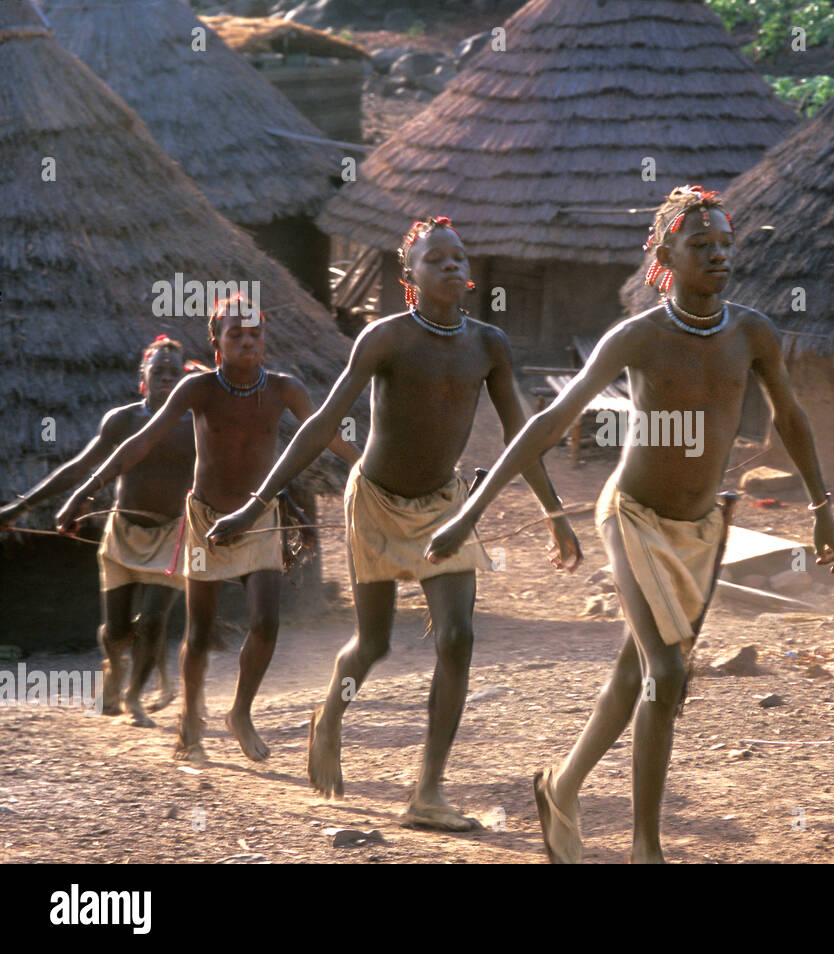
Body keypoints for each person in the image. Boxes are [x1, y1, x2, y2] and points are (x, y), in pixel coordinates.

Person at [427, 186, 834, 862]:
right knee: (666, 673)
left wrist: (824, 510)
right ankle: (645, 848)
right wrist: (469, 514)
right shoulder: (637, 338)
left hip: (703, 529)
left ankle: (560, 786)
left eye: (725, 246)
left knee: (636, 676)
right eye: (701, 246)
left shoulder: (752, 333)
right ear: (665, 256)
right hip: (633, 517)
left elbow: (791, 420)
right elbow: (549, 422)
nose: (718, 256)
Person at [208, 216, 582, 829]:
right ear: (410, 276)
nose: (454, 266)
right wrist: (255, 504)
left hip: (444, 504)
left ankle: (427, 792)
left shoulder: (489, 345)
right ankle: (330, 715)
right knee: (375, 644)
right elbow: (323, 424)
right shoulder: (385, 338)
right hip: (377, 502)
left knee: (457, 637)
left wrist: (553, 512)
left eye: (460, 257)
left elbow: (521, 434)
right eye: (437, 259)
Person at [58, 298, 359, 761]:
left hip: (260, 518)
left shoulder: (284, 389)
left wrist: (372, 468)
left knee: (266, 622)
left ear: (265, 340)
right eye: (235, 335)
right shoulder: (198, 390)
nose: (247, 342)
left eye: (255, 334)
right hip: (205, 522)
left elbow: (326, 435)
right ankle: (190, 718)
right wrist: (87, 491)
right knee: (198, 633)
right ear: (215, 342)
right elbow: (143, 440)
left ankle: (240, 711)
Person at [1, 336, 194, 725]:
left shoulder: (197, 426)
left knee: (155, 621)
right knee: (117, 631)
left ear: (185, 380)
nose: (166, 377)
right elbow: (78, 468)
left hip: (175, 535)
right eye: (158, 371)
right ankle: (117, 667)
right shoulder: (122, 421)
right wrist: (20, 507)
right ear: (143, 379)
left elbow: (225, 473)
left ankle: (135, 698)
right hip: (122, 533)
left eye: (174, 372)